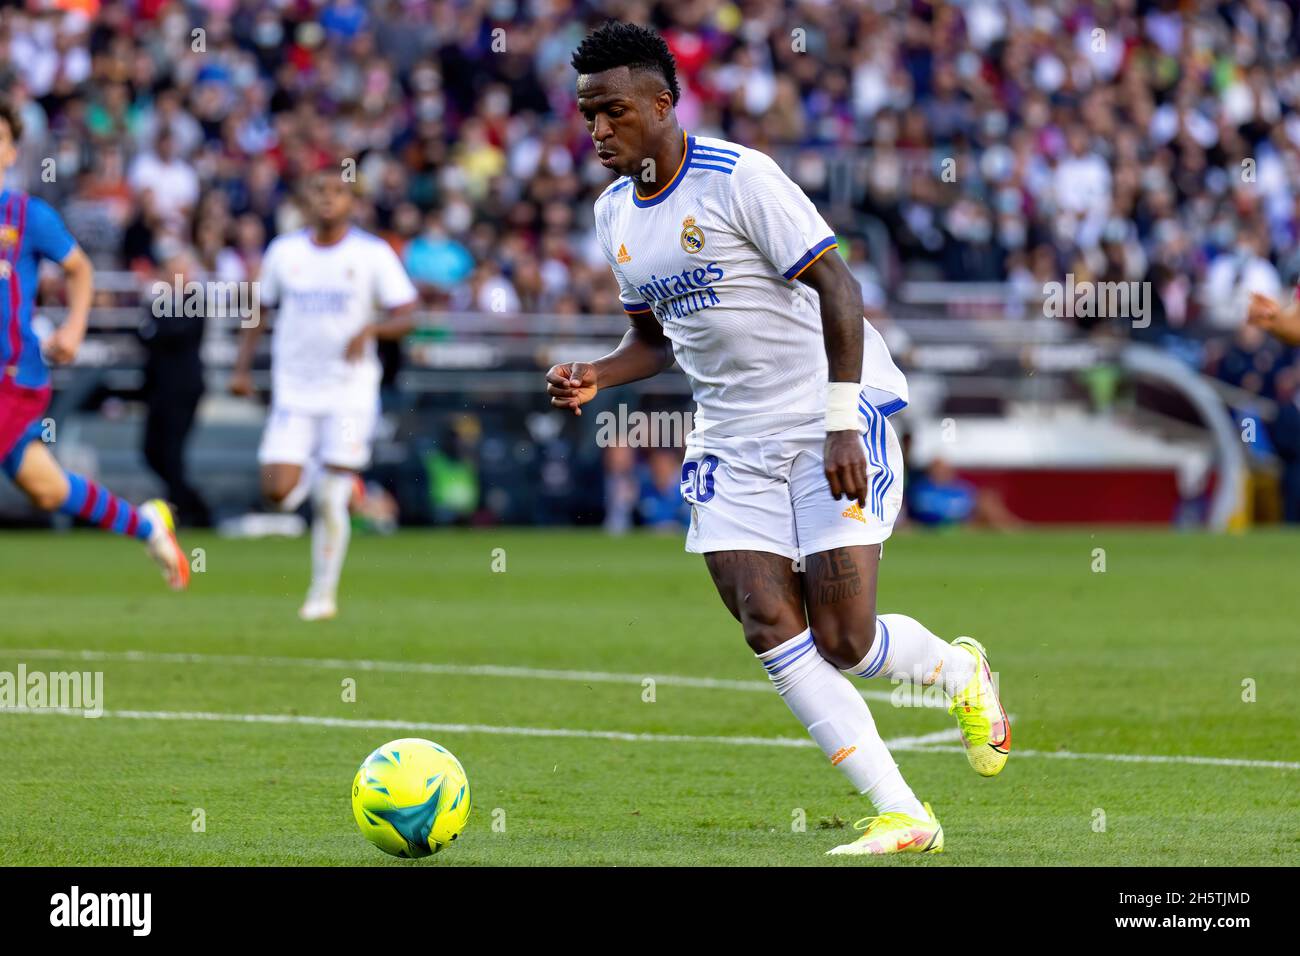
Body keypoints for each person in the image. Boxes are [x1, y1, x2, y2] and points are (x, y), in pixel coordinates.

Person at [546, 23, 1009, 856]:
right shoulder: (613, 212)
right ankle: (906, 814)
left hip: (829, 415)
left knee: (847, 640)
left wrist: (839, 421)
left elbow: (839, 283)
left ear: (661, 104)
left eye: (613, 112)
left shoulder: (738, 177)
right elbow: (653, 339)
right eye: (587, 117)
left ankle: (961, 673)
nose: (599, 132)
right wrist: (596, 374)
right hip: (730, 438)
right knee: (765, 622)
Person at [0, 99, 188, 589]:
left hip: (13, 378)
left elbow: (80, 269)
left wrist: (75, 327)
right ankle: (149, 525)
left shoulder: (26, 215)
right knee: (46, 489)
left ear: (11, 152)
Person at [230, 163, 417, 621]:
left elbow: (408, 313)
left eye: (338, 191)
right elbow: (260, 311)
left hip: (349, 391)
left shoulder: (372, 254)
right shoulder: (284, 252)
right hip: (294, 389)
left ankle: (322, 594)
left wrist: (372, 328)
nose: (328, 198)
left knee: (329, 499)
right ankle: (341, 480)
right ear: (306, 201)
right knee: (276, 489)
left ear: (352, 201)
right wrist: (241, 368)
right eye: (319, 191)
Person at [139, 247, 211, 527]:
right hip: (159, 387)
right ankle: (190, 502)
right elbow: (147, 333)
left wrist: (158, 329)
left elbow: (170, 333)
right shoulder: (161, 301)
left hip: (183, 388)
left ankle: (183, 509)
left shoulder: (193, 299)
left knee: (172, 451)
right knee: (151, 450)